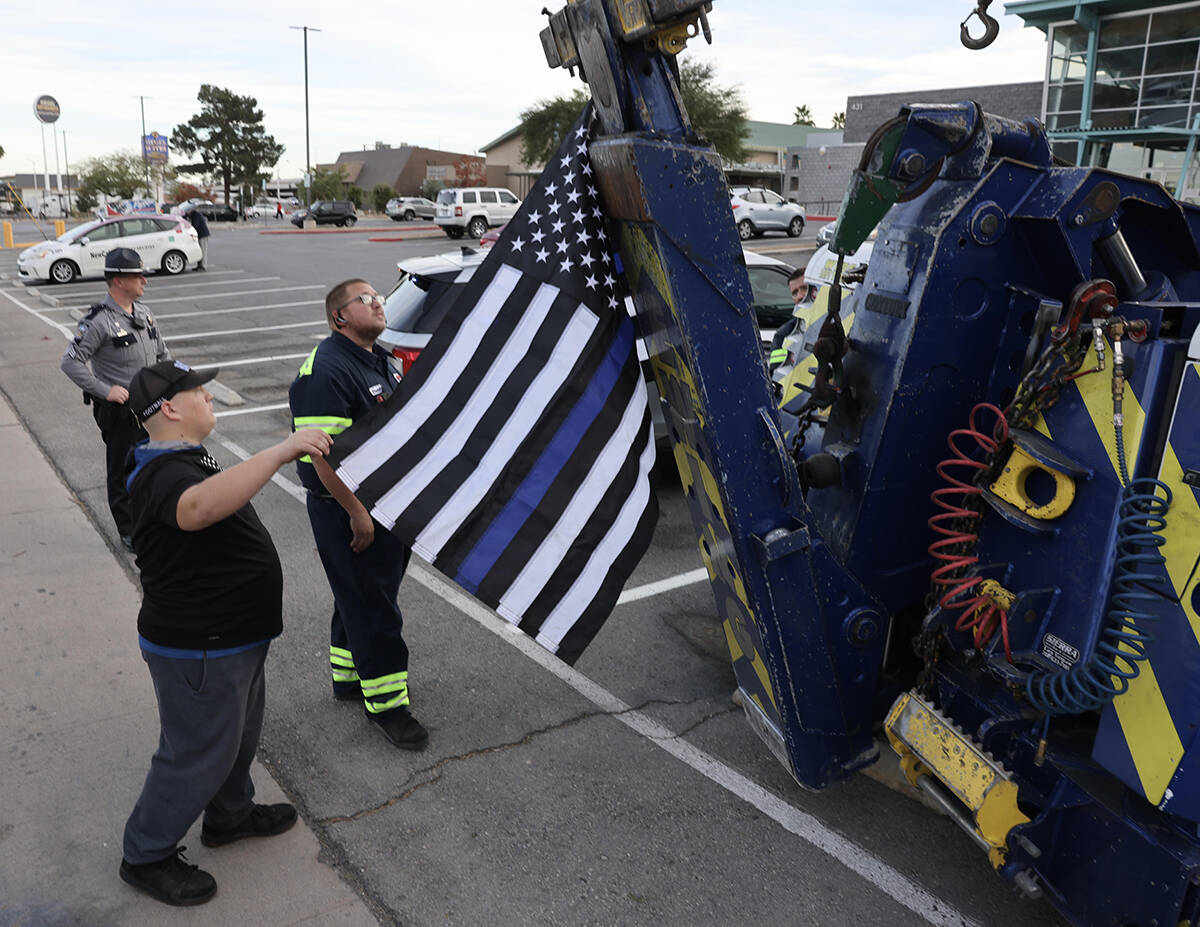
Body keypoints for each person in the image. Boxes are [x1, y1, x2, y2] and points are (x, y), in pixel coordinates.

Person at [118, 359, 333, 907]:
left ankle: (230, 814)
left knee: (237, 738)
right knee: (196, 753)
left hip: (234, 637)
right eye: (197, 391)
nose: (208, 396)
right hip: (199, 643)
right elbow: (195, 510)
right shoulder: (161, 472)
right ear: (168, 407)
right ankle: (146, 854)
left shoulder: (187, 453)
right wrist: (280, 451)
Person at [288, 278, 428, 750]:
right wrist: (357, 513)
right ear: (339, 317)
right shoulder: (324, 370)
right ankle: (389, 706)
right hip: (347, 510)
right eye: (366, 299)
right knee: (374, 606)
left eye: (378, 296)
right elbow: (318, 455)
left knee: (362, 595)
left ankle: (349, 678)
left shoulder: (380, 359)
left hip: (385, 504)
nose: (379, 303)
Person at [60, 247, 170, 550]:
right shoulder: (97, 322)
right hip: (121, 414)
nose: (144, 280)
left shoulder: (145, 314)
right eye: (138, 275)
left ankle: (151, 520)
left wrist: (171, 386)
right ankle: (129, 530)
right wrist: (104, 389)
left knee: (153, 467)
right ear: (119, 280)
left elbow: (162, 355)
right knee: (123, 471)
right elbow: (70, 362)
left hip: (152, 409)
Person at [769, 268, 817, 369]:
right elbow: (776, 375)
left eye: (804, 288)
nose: (800, 296)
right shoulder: (783, 335)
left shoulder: (841, 319)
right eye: (795, 292)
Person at [186, 204, 210, 270]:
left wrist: (188, 228)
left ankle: (203, 266)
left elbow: (195, 226)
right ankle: (199, 265)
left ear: (190, 210)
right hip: (199, 235)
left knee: (203, 251)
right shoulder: (192, 215)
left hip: (203, 235)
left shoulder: (196, 215)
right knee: (198, 251)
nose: (186, 213)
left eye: (187, 211)